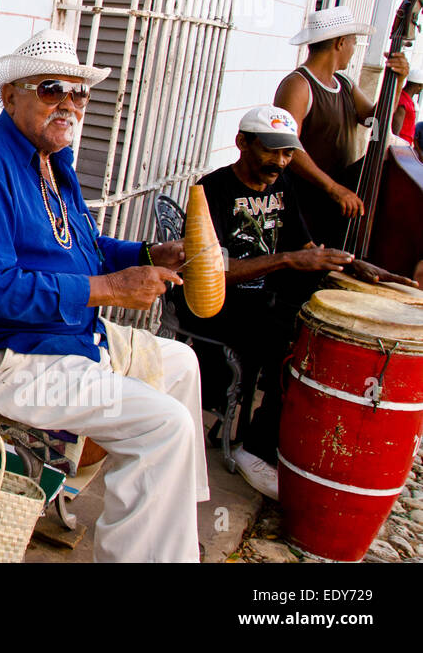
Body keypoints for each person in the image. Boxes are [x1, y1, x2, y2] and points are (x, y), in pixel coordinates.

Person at [0, 30, 209, 563]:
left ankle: (168, 526)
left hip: (66, 339)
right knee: (163, 427)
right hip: (5, 355)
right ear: (11, 95)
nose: (70, 104)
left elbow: (81, 246)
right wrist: (106, 289)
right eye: (53, 89)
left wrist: (148, 254)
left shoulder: (53, 158)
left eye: (79, 93)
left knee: (183, 364)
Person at [172, 106, 415, 500]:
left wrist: (359, 266)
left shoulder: (281, 185)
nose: (280, 162)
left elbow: (302, 246)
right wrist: (285, 260)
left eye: (287, 154)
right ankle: (255, 449)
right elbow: (206, 272)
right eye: (271, 151)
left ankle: (262, 435)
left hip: (263, 298)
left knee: (317, 331)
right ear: (242, 143)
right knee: (294, 347)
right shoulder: (212, 190)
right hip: (216, 302)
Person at [273, 5, 410, 249]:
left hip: (338, 199)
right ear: (339, 43)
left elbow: (375, 121)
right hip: (306, 200)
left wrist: (396, 83)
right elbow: (288, 146)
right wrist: (333, 188)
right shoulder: (298, 85)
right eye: (353, 42)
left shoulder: (344, 84)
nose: (353, 50)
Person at [392, 65, 422, 143]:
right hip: (399, 147)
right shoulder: (403, 101)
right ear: (419, 86)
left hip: (405, 145)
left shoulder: (409, 101)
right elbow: (395, 132)